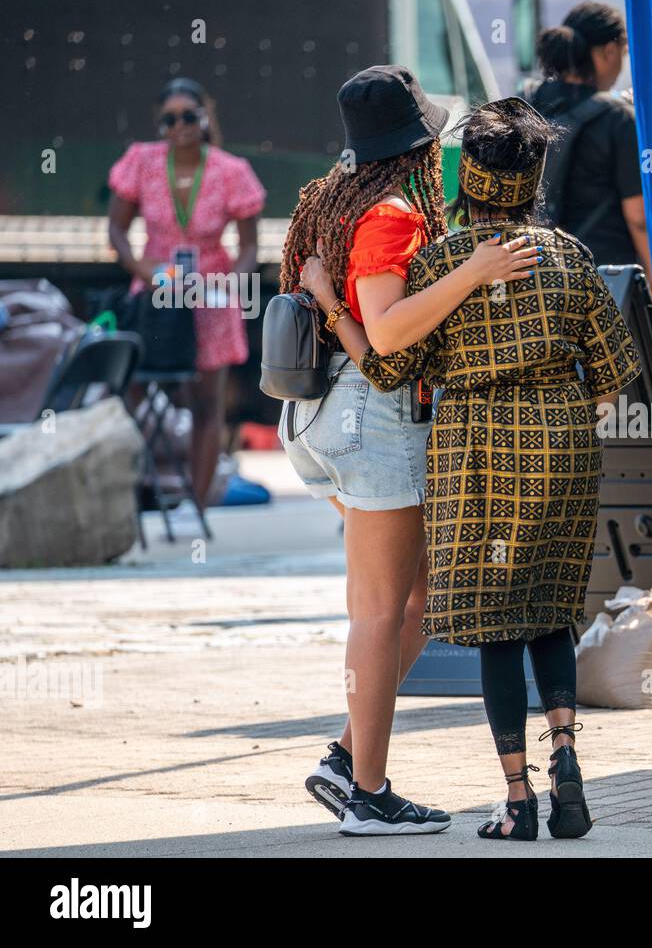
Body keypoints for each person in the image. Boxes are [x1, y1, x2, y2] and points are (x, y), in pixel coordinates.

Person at [355, 97, 642, 841]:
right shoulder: (570, 254)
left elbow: (391, 367)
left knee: (493, 625)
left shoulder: (441, 262)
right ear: (534, 175)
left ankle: (519, 799)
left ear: (468, 175)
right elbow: (615, 370)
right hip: (565, 437)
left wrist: (331, 305)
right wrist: (574, 407)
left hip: (477, 447)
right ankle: (568, 762)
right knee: (550, 608)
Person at [281, 65, 539, 836]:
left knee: (418, 603)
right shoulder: (392, 212)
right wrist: (476, 269)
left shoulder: (338, 191)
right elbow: (389, 331)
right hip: (375, 420)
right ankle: (368, 794)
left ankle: (345, 759)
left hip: (327, 414)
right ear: (418, 144)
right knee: (382, 610)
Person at [108, 77, 264, 512]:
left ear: (204, 118)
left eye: (188, 116)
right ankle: (129, 494)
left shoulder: (231, 171)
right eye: (170, 119)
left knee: (205, 401)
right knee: (134, 391)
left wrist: (233, 283)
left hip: (209, 291)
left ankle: (197, 505)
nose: (180, 126)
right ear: (160, 124)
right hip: (157, 289)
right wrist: (144, 271)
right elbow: (116, 231)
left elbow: (250, 245)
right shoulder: (140, 162)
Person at [526, 1, 651, 275]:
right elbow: (639, 218)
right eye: (623, 52)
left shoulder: (527, 103)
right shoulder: (618, 118)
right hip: (601, 272)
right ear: (609, 51)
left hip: (534, 270)